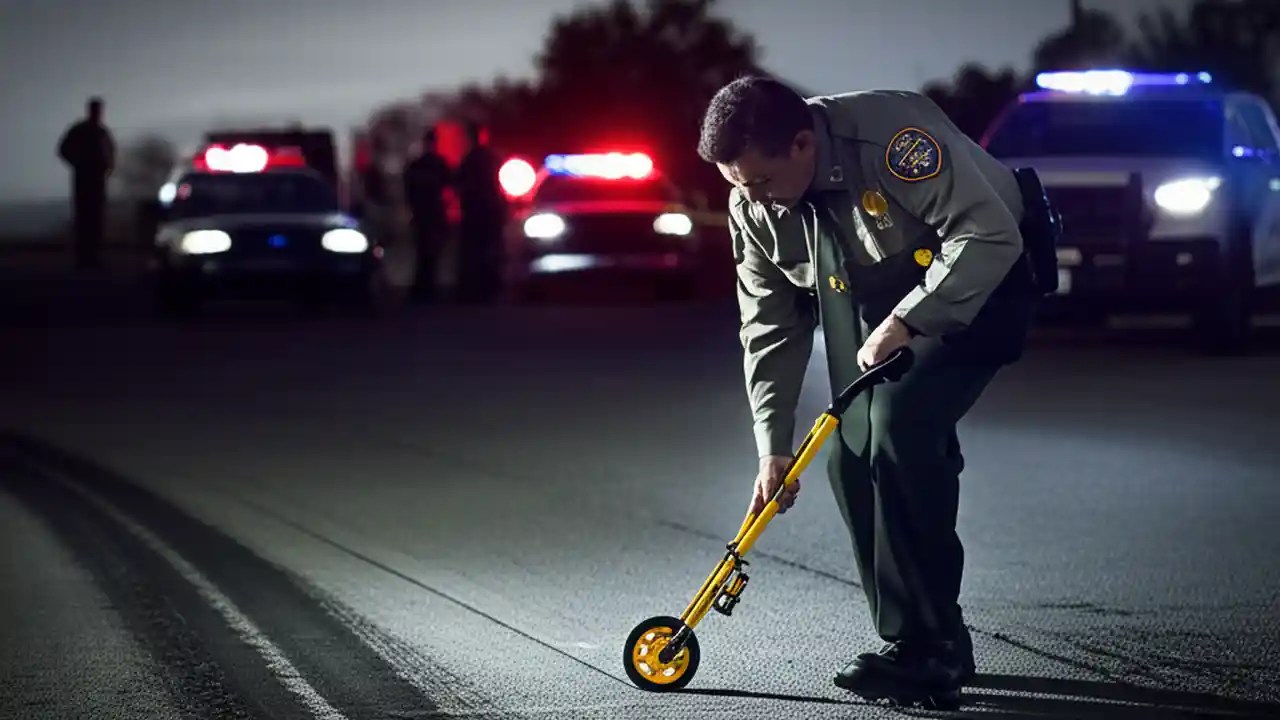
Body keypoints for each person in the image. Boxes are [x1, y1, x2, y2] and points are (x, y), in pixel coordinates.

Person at [697, 76, 1044, 703]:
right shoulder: (752, 198)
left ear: (803, 144)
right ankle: (926, 636)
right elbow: (769, 323)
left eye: (761, 183)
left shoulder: (888, 139)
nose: (756, 202)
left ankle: (927, 649)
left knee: (902, 429)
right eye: (738, 188)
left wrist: (909, 320)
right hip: (886, 307)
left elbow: (988, 233)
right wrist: (772, 446)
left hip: (984, 277)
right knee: (848, 452)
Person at [57, 96, 115, 269]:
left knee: (96, 219)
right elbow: (63, 150)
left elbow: (110, 152)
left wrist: (108, 167)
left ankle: (93, 257)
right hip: (84, 180)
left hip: (97, 179)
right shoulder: (80, 130)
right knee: (84, 218)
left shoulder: (102, 131)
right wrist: (77, 163)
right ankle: (84, 259)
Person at [453, 122, 507, 303]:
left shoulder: (472, 159)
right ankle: (486, 286)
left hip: (478, 210)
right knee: (486, 249)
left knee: (477, 249)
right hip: (485, 210)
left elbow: (459, 183)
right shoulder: (489, 157)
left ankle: (479, 286)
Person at [402, 126, 453, 302]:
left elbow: (408, 188)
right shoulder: (433, 164)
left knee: (427, 252)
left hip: (427, 213)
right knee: (428, 252)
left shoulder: (422, 165)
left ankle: (424, 288)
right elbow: (451, 184)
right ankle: (426, 288)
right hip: (430, 213)